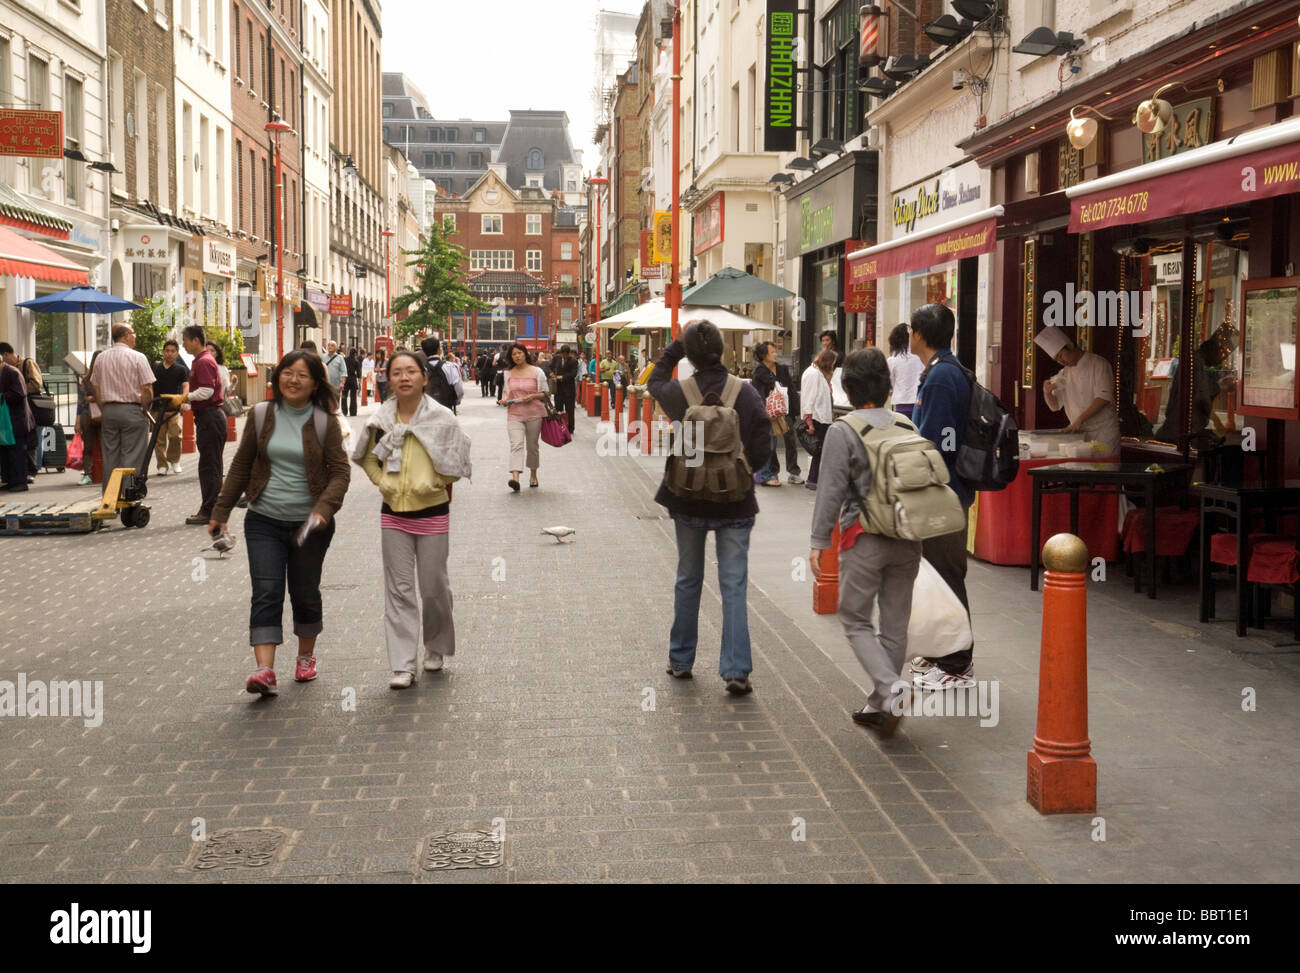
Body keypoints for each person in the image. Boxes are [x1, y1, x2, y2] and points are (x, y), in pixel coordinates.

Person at [210, 350, 351, 697]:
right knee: (267, 590)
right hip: (264, 520)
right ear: (278, 377)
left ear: (316, 382)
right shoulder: (261, 415)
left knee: (304, 593)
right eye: (288, 372)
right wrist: (221, 511)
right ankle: (264, 669)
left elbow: (341, 472)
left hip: (309, 526)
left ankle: (306, 656)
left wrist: (323, 508)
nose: (293, 380)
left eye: (303, 375)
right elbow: (241, 466)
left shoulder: (324, 421)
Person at [648, 321, 770, 694]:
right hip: (735, 501)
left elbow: (652, 382)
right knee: (733, 584)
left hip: (688, 495)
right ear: (724, 352)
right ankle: (736, 670)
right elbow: (763, 442)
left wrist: (675, 348)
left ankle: (681, 660)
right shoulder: (745, 393)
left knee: (688, 578)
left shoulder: (679, 393)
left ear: (690, 355)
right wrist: (743, 469)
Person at [810, 349, 922, 738]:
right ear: (889, 387)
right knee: (894, 624)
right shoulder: (907, 424)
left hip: (864, 538)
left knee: (855, 618)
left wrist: (818, 540)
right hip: (908, 538)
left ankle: (891, 690)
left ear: (848, 388)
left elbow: (830, 491)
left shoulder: (844, 430)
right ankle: (880, 704)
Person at [355, 349, 472, 689]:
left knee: (434, 587)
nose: (403, 378)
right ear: (388, 378)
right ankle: (403, 664)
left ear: (423, 377)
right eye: (396, 372)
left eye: (410, 371)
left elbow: (457, 459)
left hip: (432, 512)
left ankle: (435, 647)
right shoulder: (380, 418)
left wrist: (435, 483)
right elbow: (368, 458)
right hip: (393, 515)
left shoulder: (442, 418)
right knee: (400, 590)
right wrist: (383, 483)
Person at [909, 303, 976, 691]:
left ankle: (957, 665)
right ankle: (941, 652)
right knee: (938, 572)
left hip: (943, 494)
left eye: (912, 330)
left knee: (948, 575)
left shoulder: (940, 378)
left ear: (919, 334)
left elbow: (934, 443)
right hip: (948, 491)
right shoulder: (945, 370)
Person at [90, 323, 155, 494]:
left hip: (109, 410)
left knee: (110, 456)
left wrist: (103, 407)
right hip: (133, 410)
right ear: (126, 335)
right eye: (133, 333)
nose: (135, 337)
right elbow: (147, 388)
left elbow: (95, 387)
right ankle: (128, 494)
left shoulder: (101, 357)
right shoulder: (138, 357)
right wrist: (145, 408)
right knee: (132, 455)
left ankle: (110, 496)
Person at [1036, 328, 1122, 455]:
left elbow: (1103, 397)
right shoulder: (1063, 373)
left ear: (1070, 346)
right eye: (1057, 360)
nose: (1061, 361)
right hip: (1079, 434)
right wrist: (1047, 392)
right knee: (1083, 470)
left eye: (1061, 355)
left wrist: (1079, 420)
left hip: (1104, 432)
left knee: (1104, 469)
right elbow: (1055, 406)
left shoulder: (1099, 364)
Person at [180, 326, 226, 525]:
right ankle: (212, 508)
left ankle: (210, 510)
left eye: (185, 340)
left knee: (210, 466)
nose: (183, 344)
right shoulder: (200, 361)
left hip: (210, 417)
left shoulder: (204, 361)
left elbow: (206, 391)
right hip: (207, 417)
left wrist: (184, 397)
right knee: (210, 465)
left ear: (196, 340)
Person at [496, 342, 548, 491]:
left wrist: (532, 396)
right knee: (516, 445)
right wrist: (504, 400)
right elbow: (506, 392)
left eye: (519, 353)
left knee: (532, 447)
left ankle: (533, 475)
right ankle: (516, 479)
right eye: (514, 354)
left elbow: (546, 392)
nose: (517, 356)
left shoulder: (537, 371)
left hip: (534, 414)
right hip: (514, 414)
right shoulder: (508, 373)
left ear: (525, 353)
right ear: (510, 357)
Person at [750, 341, 788, 487]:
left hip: (766, 412)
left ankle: (762, 473)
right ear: (764, 356)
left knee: (767, 442)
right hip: (764, 412)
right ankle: (765, 475)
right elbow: (762, 393)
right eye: (772, 352)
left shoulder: (769, 370)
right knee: (767, 442)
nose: (775, 354)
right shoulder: (761, 372)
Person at [800, 348, 837, 490]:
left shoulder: (818, 373)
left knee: (821, 450)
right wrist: (809, 421)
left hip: (821, 416)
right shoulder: (813, 374)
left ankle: (815, 478)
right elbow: (808, 397)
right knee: (819, 450)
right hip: (817, 417)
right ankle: (813, 479)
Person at [152, 339, 189, 476]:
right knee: (159, 438)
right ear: (163, 352)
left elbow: (185, 385)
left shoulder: (181, 369)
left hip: (174, 408)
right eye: (167, 351)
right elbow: (149, 384)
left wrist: (185, 399)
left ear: (177, 353)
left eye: (173, 351)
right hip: (157, 407)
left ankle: (174, 460)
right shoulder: (156, 367)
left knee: (175, 436)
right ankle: (162, 465)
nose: (169, 354)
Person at [0, 343, 34, 492]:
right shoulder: (4, 372)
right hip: (7, 421)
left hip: (17, 420)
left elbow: (20, 393)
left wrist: (2, 397)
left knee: (17, 451)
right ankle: (11, 480)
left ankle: (20, 481)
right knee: (7, 452)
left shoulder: (12, 372)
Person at [75, 349, 104, 486]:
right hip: (87, 414)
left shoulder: (108, 377)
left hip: (105, 413)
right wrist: (78, 422)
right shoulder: (86, 379)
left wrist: (95, 398)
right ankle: (87, 473)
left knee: (107, 445)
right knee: (88, 446)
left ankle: (108, 472)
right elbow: (80, 402)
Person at [886, 323, 924, 419]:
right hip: (920, 403)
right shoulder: (921, 357)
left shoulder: (892, 360)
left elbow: (889, 386)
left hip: (901, 406)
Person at [420, 336, 464, 414]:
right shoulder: (450, 366)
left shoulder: (421, 369)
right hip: (446, 407)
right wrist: (455, 401)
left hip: (427, 410)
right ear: (439, 350)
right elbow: (459, 389)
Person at [552, 344, 579, 433]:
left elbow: (573, 374)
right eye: (562, 354)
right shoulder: (556, 359)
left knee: (570, 410)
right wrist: (551, 373)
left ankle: (571, 428)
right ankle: (559, 427)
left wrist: (562, 377)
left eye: (565, 354)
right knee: (558, 409)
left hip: (569, 390)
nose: (563, 356)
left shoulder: (574, 361)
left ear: (568, 353)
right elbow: (550, 367)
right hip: (558, 390)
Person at [341, 348, 360, 416]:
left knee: (344, 396)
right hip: (353, 379)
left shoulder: (345, 360)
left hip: (345, 379)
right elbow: (358, 372)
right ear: (355, 353)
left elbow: (342, 369)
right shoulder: (356, 361)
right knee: (353, 397)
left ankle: (344, 411)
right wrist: (359, 381)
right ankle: (353, 411)